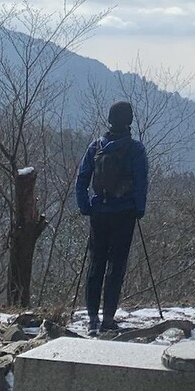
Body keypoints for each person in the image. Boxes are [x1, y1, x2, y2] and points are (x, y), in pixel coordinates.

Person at [75, 100, 149, 335]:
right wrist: (139, 208)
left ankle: (92, 318)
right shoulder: (135, 149)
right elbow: (141, 182)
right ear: (129, 121)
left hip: (99, 213)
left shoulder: (96, 146)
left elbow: (82, 179)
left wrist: (85, 206)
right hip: (124, 213)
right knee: (116, 266)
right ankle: (108, 318)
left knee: (95, 264)